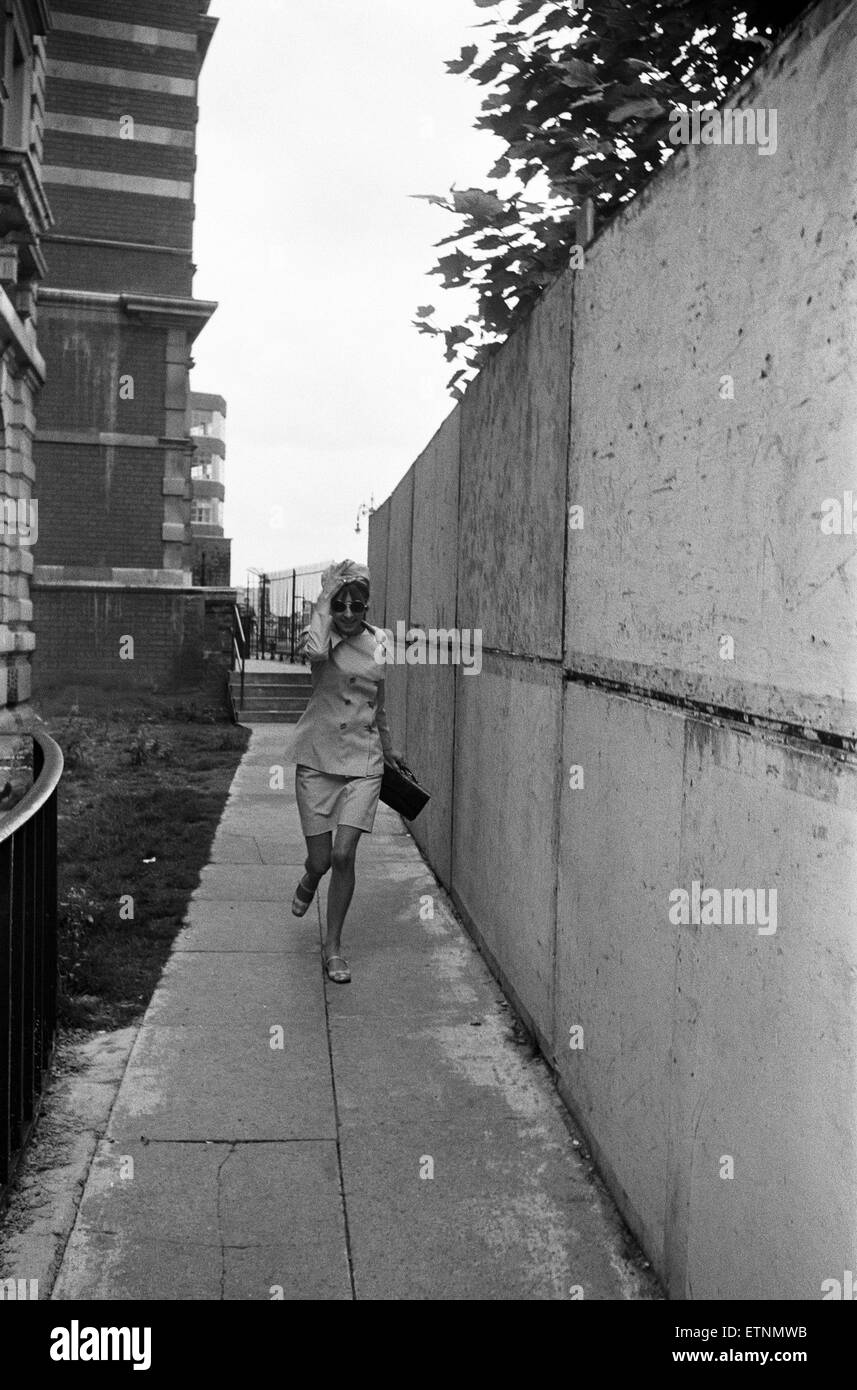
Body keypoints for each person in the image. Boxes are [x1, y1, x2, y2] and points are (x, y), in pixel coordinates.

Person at [290, 559, 404, 983]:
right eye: (342, 605)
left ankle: (333, 946)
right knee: (321, 859)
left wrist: (389, 748)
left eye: (359, 605)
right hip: (318, 759)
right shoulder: (320, 637)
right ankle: (309, 875)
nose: (351, 614)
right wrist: (324, 598)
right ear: (331, 604)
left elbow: (380, 699)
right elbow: (316, 653)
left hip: (364, 759)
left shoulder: (382, 641)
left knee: (343, 853)